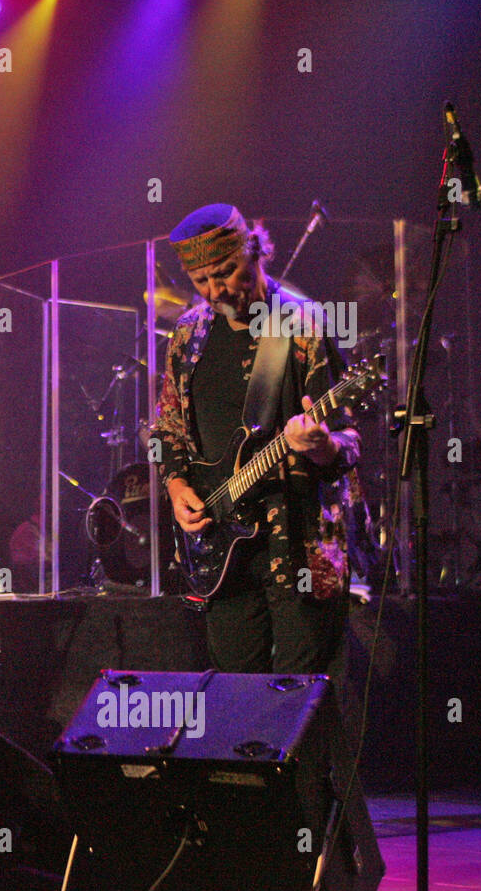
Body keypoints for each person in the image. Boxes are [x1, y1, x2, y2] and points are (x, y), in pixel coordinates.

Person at [150, 204, 362, 674]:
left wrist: (321, 445)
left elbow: (349, 438)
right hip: (222, 550)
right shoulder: (187, 334)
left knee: (299, 700)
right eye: (201, 280)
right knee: (234, 703)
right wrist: (176, 486)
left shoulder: (303, 324)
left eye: (227, 272)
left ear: (255, 251)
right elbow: (167, 429)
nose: (217, 290)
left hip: (297, 545)